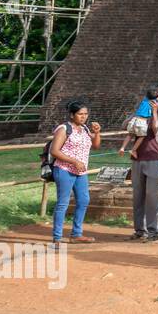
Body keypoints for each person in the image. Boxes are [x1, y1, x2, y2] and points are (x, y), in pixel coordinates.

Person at [49, 98, 102, 245]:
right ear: (72, 115)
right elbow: (54, 151)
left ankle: (76, 234)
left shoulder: (84, 129)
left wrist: (97, 132)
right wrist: (74, 161)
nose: (84, 116)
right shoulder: (64, 129)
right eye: (80, 114)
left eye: (85, 114)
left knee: (84, 200)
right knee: (63, 203)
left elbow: (96, 146)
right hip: (64, 169)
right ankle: (57, 237)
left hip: (80, 172)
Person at [130, 92, 158, 243]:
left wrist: (155, 112)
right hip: (137, 158)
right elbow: (126, 126)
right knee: (138, 195)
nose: (153, 100)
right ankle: (140, 230)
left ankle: (154, 231)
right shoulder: (142, 113)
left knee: (151, 195)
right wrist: (138, 116)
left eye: (157, 96)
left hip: (154, 158)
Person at [119, 84, 158, 157]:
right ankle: (133, 150)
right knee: (142, 136)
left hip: (134, 119)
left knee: (130, 134)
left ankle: (122, 148)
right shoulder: (157, 102)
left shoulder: (145, 98)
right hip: (142, 121)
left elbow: (152, 95)